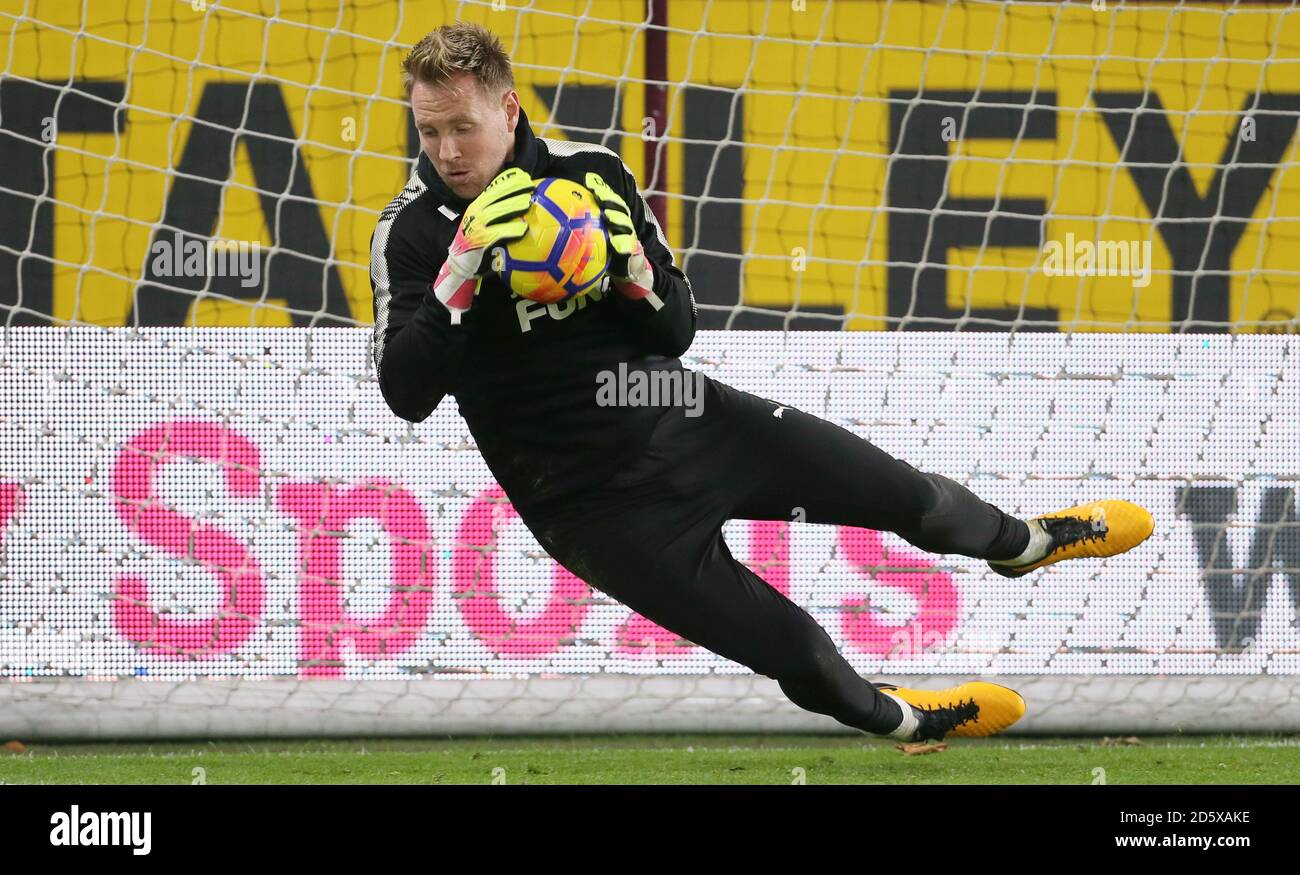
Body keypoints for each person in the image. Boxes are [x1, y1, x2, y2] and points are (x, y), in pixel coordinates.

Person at [369, 22, 1155, 742]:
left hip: (683, 418)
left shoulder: (593, 178)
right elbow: (405, 395)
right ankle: (912, 722)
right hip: (586, 507)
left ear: (509, 110)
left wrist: (627, 270)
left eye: (461, 127)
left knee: (908, 498)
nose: (445, 151)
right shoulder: (409, 234)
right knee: (796, 650)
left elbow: (674, 330)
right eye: (429, 130)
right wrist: (460, 275)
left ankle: (1028, 544)